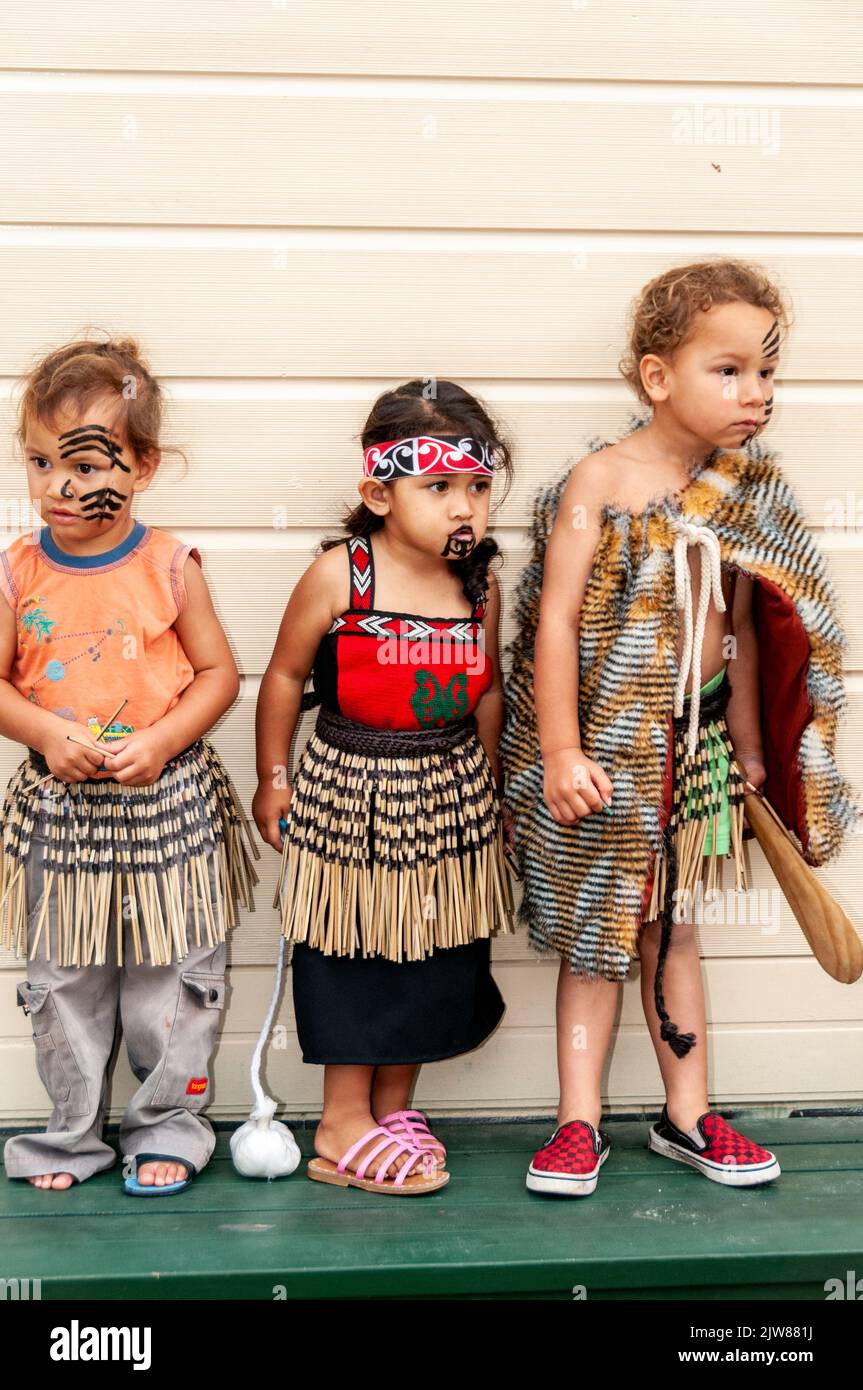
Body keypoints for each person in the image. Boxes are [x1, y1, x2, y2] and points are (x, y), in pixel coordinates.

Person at [500, 259, 859, 1195]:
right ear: (658, 377)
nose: (756, 393)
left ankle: (688, 1113)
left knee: (676, 932)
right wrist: (560, 750)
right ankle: (576, 1122)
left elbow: (754, 627)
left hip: (697, 751)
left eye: (767, 371)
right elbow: (555, 621)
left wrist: (752, 749)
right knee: (595, 938)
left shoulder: (748, 491)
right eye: (729, 371)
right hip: (608, 755)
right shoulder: (599, 480)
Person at [0, 335, 258, 1196]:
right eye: (39, 462)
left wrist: (164, 739)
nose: (56, 487)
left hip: (167, 810)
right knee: (65, 979)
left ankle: (168, 1125)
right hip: (62, 815)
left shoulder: (168, 567)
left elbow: (218, 675)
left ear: (141, 467)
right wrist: (44, 732)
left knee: (172, 976)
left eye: (82, 465)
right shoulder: (17, 572)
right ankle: (70, 1136)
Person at [253, 379, 519, 1195]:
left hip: (447, 795)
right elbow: (284, 676)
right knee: (355, 948)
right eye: (437, 486)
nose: (463, 506)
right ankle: (341, 1121)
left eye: (477, 486)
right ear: (379, 493)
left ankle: (392, 1108)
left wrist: (491, 783)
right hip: (351, 797)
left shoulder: (477, 585)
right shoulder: (340, 576)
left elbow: (486, 689)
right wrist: (272, 778)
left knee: (433, 949)